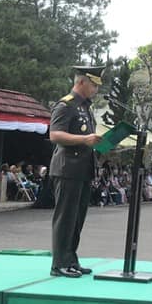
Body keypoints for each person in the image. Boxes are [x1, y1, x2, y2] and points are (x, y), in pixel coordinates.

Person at [48, 65, 103, 278]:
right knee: (65, 217)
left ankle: (71, 259)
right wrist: (84, 139)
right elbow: (55, 135)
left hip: (82, 169)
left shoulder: (85, 107)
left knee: (77, 218)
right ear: (81, 82)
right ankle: (59, 263)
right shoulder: (66, 105)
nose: (96, 90)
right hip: (67, 168)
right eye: (93, 85)